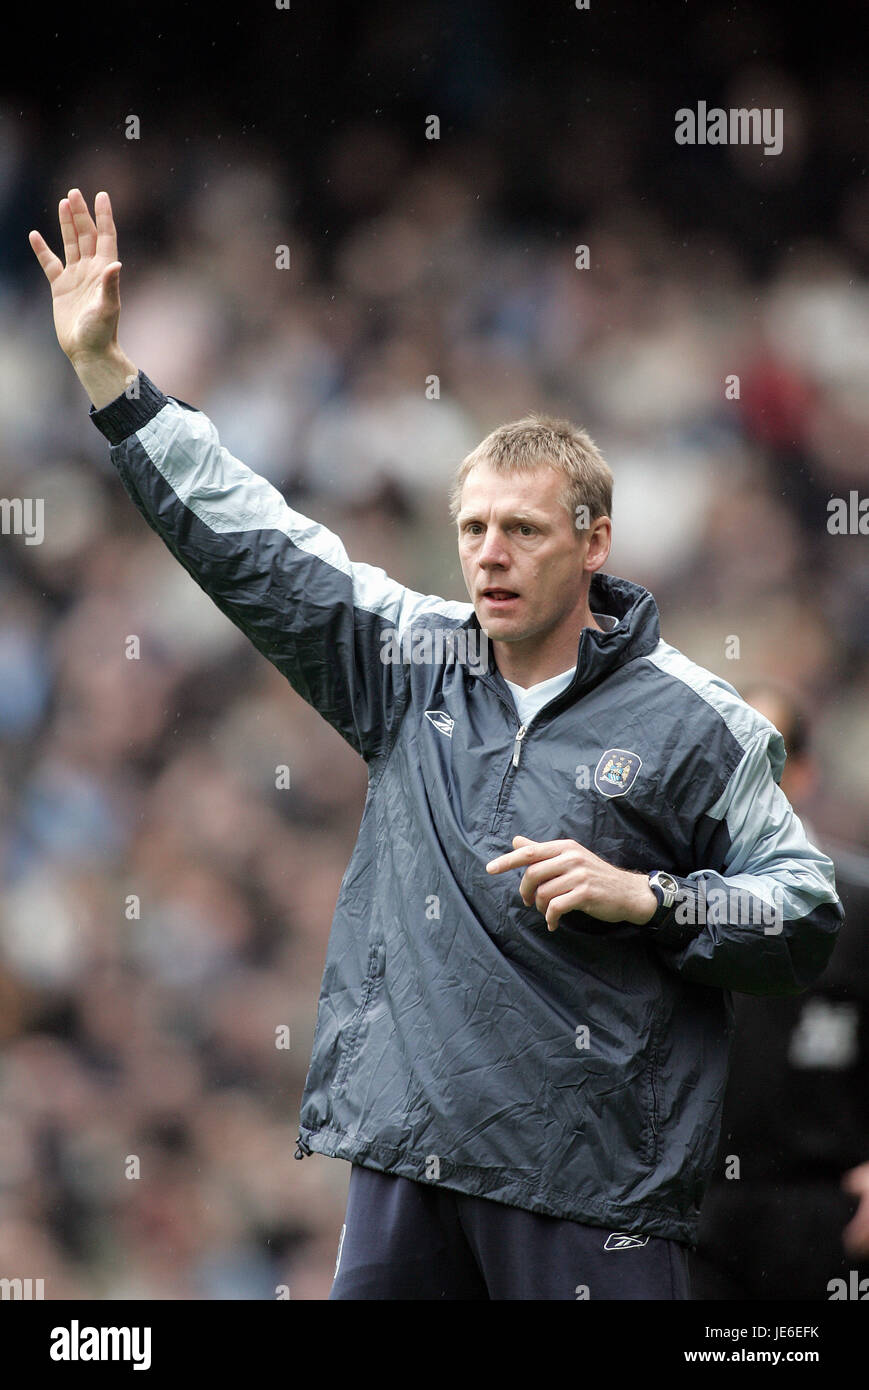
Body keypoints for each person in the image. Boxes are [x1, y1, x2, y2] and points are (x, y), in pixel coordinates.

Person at [30, 189, 845, 1301]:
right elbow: (250, 537)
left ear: (595, 541)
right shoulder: (401, 659)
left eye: (522, 529)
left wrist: (652, 898)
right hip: (404, 1173)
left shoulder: (698, 721)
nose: (490, 555)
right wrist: (113, 385)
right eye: (472, 528)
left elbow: (800, 911)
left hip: (590, 1197)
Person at [689, 682, 869, 1300]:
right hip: (695, 1214)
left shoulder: (860, 906)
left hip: (828, 1214)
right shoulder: (670, 902)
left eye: (769, 754)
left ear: (806, 772)